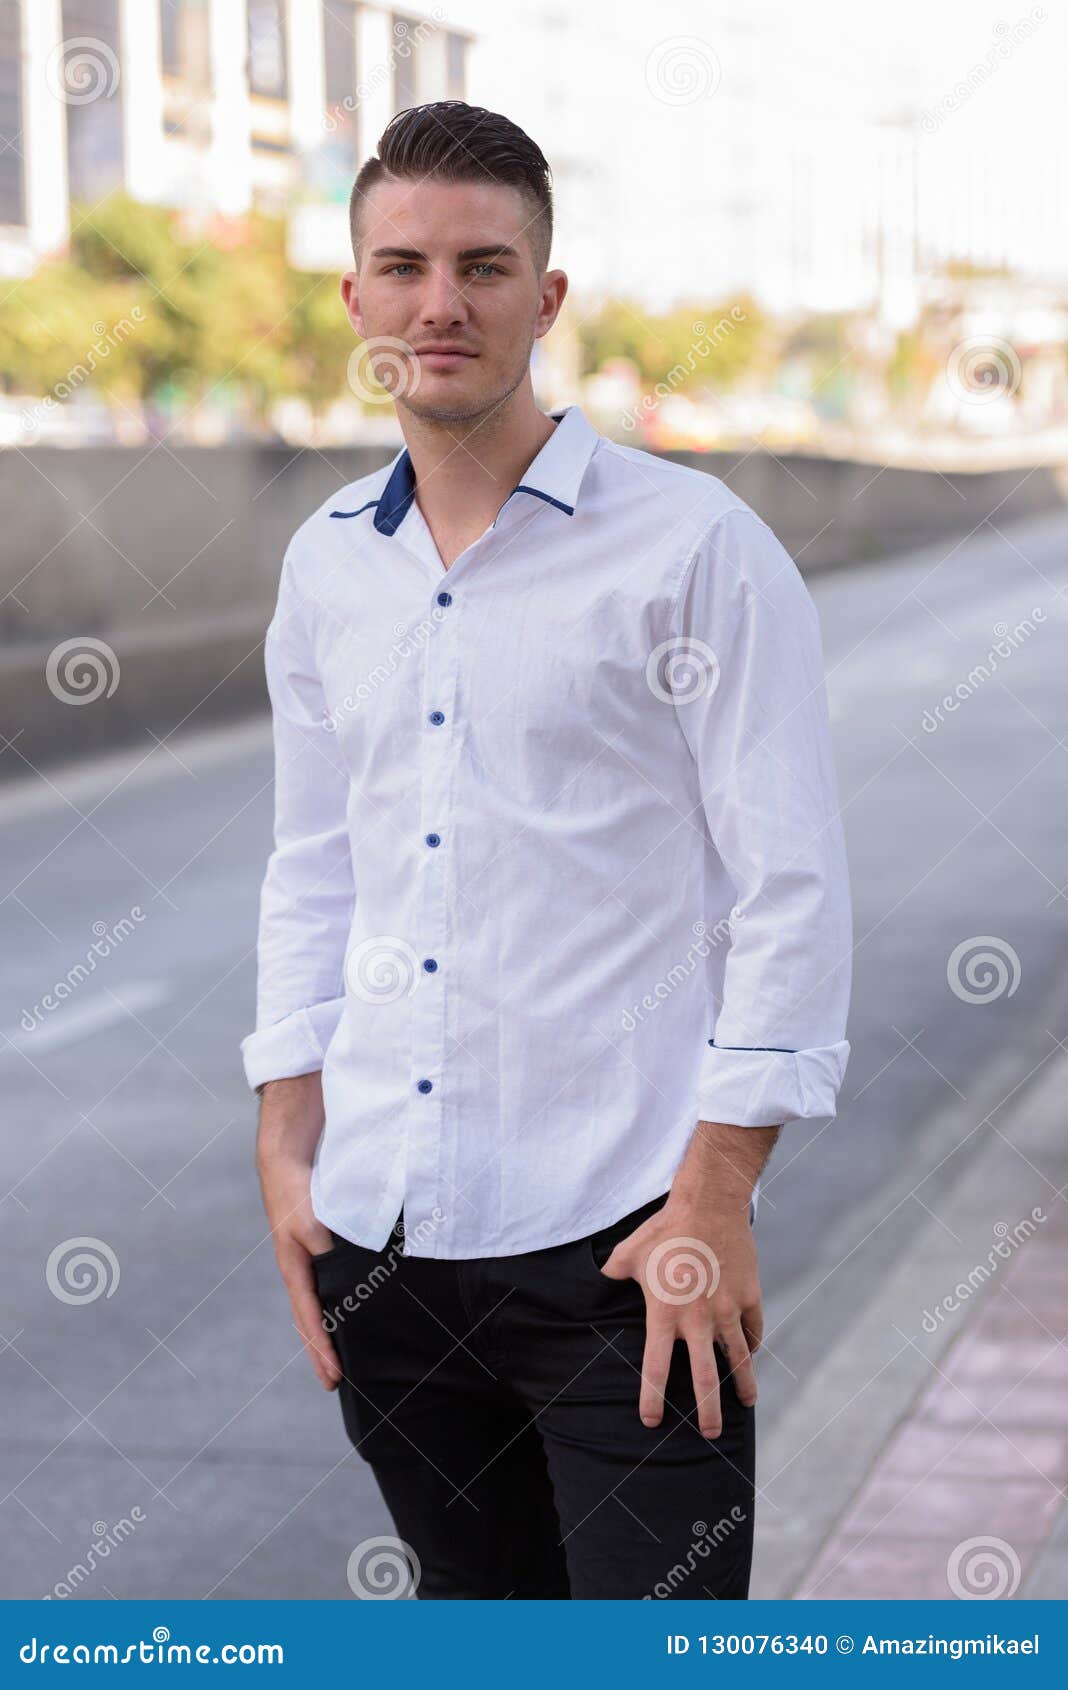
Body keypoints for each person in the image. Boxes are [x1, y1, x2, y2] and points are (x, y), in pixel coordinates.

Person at [240, 101, 852, 1601]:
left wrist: (716, 1192)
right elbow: (313, 859)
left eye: (483, 266)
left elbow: (792, 885)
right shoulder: (328, 563)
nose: (439, 303)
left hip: (631, 1249)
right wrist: (285, 1122)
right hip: (385, 1242)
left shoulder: (693, 546)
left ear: (547, 296)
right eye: (403, 265)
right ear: (357, 297)